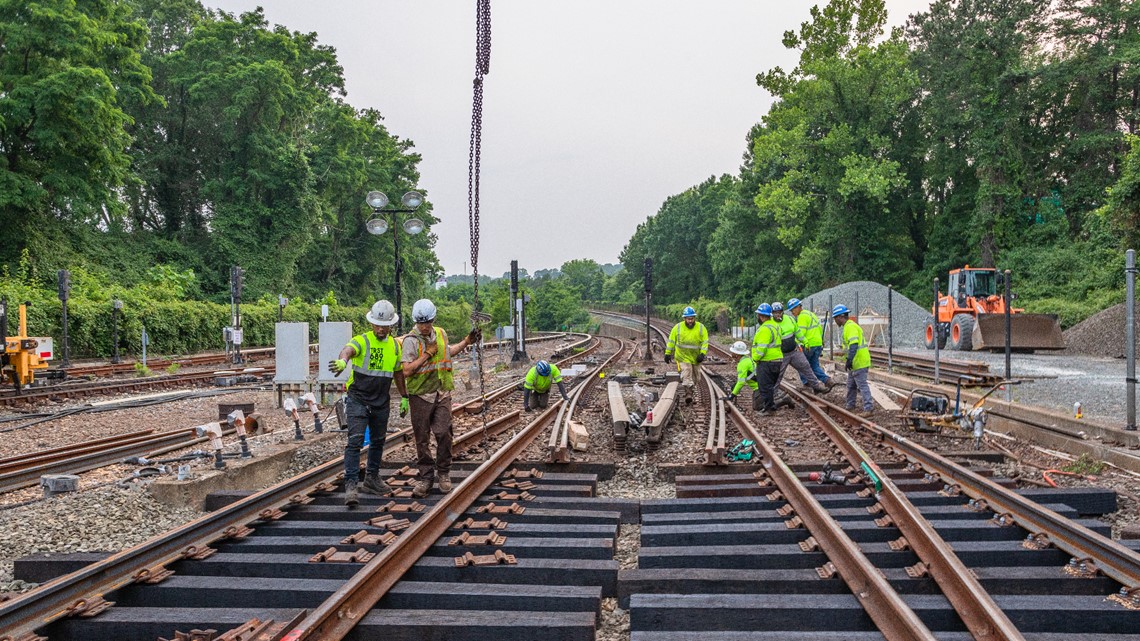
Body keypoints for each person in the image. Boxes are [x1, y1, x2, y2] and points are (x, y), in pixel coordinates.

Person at [328, 300, 406, 506]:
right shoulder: (362, 340)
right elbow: (348, 350)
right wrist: (343, 361)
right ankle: (351, 485)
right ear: (372, 323)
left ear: (391, 325)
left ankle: (371, 478)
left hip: (381, 402)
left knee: (379, 441)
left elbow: (398, 372)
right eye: (377, 324)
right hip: (358, 400)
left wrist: (405, 396)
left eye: (384, 325)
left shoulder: (395, 347)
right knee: (354, 442)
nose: (380, 328)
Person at [401, 298, 481, 498]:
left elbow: (448, 352)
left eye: (428, 322)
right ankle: (426, 477)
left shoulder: (441, 333)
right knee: (422, 439)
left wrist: (466, 342)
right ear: (416, 322)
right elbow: (407, 370)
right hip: (420, 395)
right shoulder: (410, 341)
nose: (425, 326)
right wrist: (427, 354)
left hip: (441, 392)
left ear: (433, 319)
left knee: (444, 432)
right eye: (421, 323)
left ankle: (443, 473)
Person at [773, 301, 830, 394]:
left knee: (806, 367)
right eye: (775, 313)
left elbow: (798, 332)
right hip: (781, 354)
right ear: (772, 313)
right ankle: (773, 394)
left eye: (779, 312)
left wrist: (805, 342)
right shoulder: (771, 324)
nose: (778, 314)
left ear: (783, 312)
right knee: (778, 374)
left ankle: (816, 386)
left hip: (794, 351)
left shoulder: (790, 319)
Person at [832, 304, 873, 417]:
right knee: (851, 385)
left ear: (840, 317)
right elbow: (850, 346)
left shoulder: (850, 327)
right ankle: (850, 405)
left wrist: (849, 359)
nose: (835, 321)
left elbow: (854, 344)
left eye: (835, 318)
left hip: (859, 361)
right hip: (855, 362)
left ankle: (868, 408)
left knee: (862, 385)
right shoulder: (848, 327)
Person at [664, 306, 709, 404]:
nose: (690, 321)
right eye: (688, 319)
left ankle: (690, 391)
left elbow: (705, 342)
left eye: (692, 318)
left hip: (696, 357)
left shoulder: (701, 328)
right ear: (684, 318)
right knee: (686, 372)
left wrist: (702, 354)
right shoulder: (677, 328)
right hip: (682, 356)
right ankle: (688, 393)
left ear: (694, 318)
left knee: (696, 377)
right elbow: (671, 341)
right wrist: (667, 353)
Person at [750, 303, 786, 415]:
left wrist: (755, 358)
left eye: (758, 315)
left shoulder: (764, 329)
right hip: (778, 360)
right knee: (770, 386)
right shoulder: (776, 326)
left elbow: (761, 348)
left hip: (766, 361)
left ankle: (769, 409)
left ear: (761, 316)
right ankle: (770, 407)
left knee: (765, 386)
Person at [788, 298, 830, 388]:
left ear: (799, 307)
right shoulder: (811, 314)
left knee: (801, 365)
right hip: (818, 344)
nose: (792, 312)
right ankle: (827, 380)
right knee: (814, 365)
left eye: (793, 309)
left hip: (808, 345)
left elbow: (801, 334)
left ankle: (807, 384)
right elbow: (819, 329)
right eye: (791, 310)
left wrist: (795, 344)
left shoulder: (802, 317)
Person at [723, 340, 760, 410]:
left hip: (760, 388)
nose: (731, 353)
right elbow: (744, 377)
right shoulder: (747, 359)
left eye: (733, 352)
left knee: (758, 407)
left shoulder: (742, 364)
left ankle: (783, 400)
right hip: (761, 386)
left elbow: (741, 382)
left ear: (737, 354)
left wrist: (732, 395)